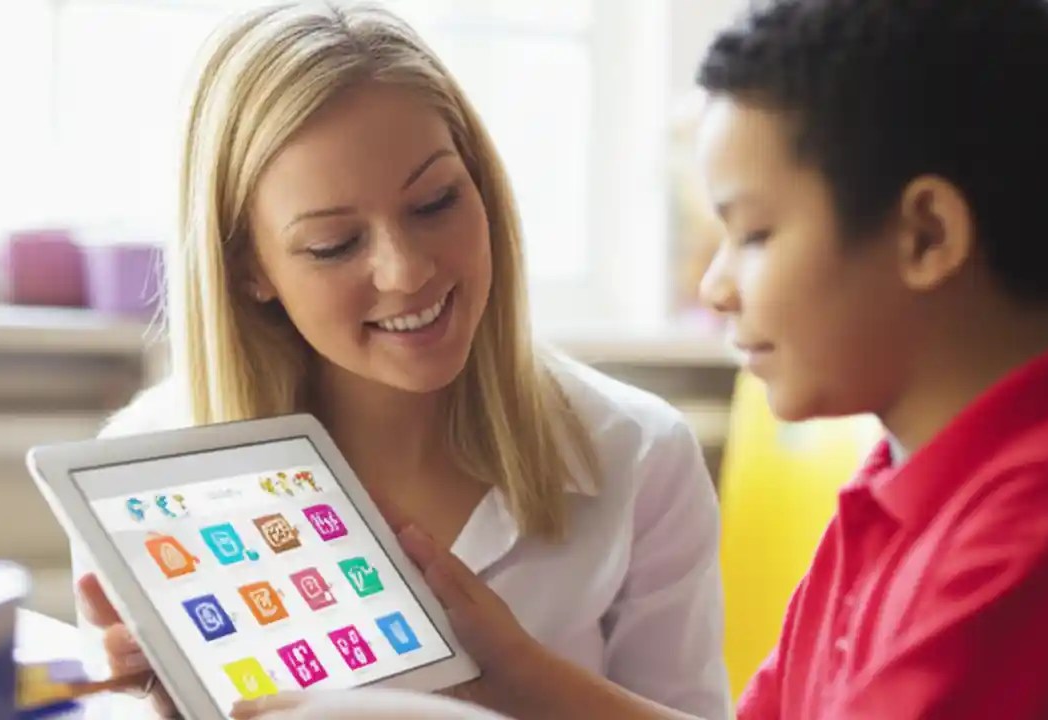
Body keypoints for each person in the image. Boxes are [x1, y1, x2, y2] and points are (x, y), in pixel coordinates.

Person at [236, 0, 1048, 718]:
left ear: (926, 234)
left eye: (752, 232)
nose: (716, 286)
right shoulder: (907, 488)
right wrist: (512, 671)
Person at [70, 2, 731, 718]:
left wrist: (522, 678)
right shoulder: (142, 473)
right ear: (247, 270)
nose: (407, 271)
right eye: (334, 245)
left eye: (437, 201)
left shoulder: (638, 458)